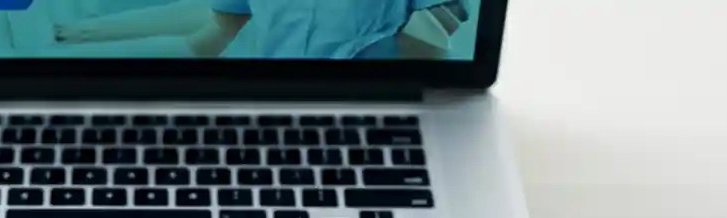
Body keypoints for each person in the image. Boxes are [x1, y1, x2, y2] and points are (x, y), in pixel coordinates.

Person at [52, 0, 471, 59]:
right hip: (279, 106)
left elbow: (436, 36)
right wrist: (91, 36)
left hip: (372, 106)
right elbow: (212, 34)